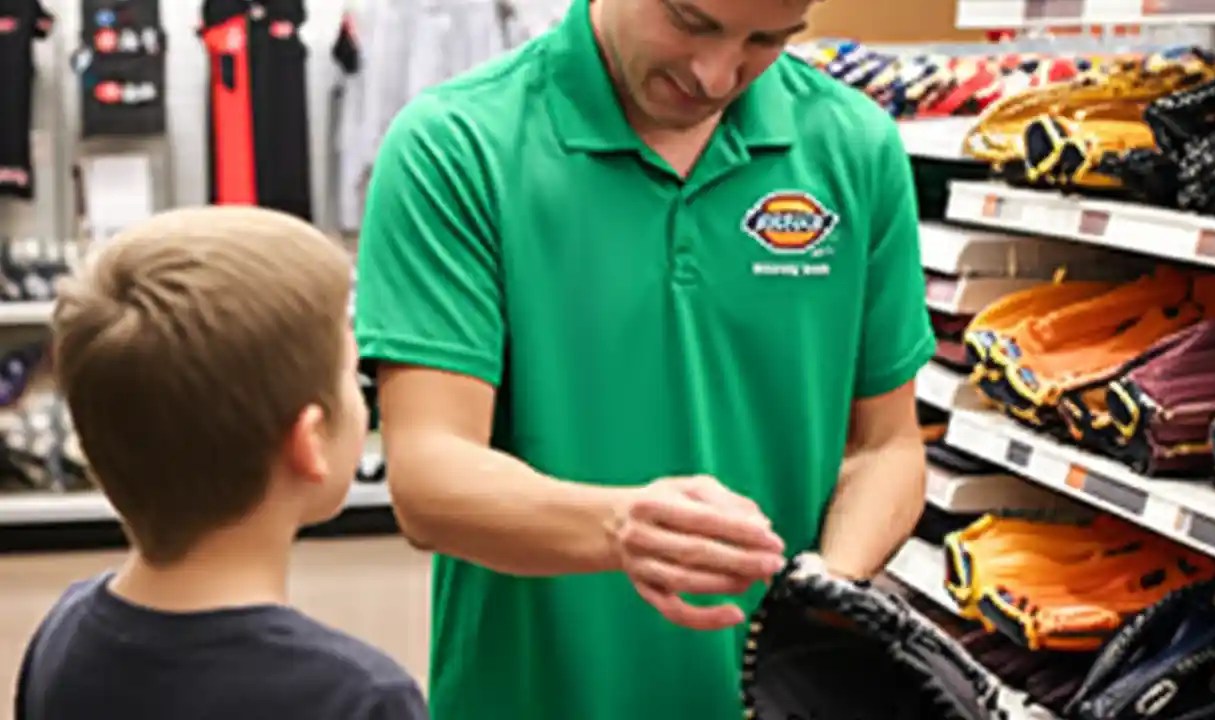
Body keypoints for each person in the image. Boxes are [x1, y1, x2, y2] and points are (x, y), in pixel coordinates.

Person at [353, 0, 935, 716]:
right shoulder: (457, 145)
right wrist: (620, 528)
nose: (717, 75)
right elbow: (430, 475)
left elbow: (886, 446)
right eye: (691, 22)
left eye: (766, 40)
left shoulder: (855, 147)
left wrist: (825, 591)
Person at [15, 206, 428, 720]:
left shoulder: (61, 636)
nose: (364, 394)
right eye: (351, 374)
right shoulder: (361, 698)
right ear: (311, 439)